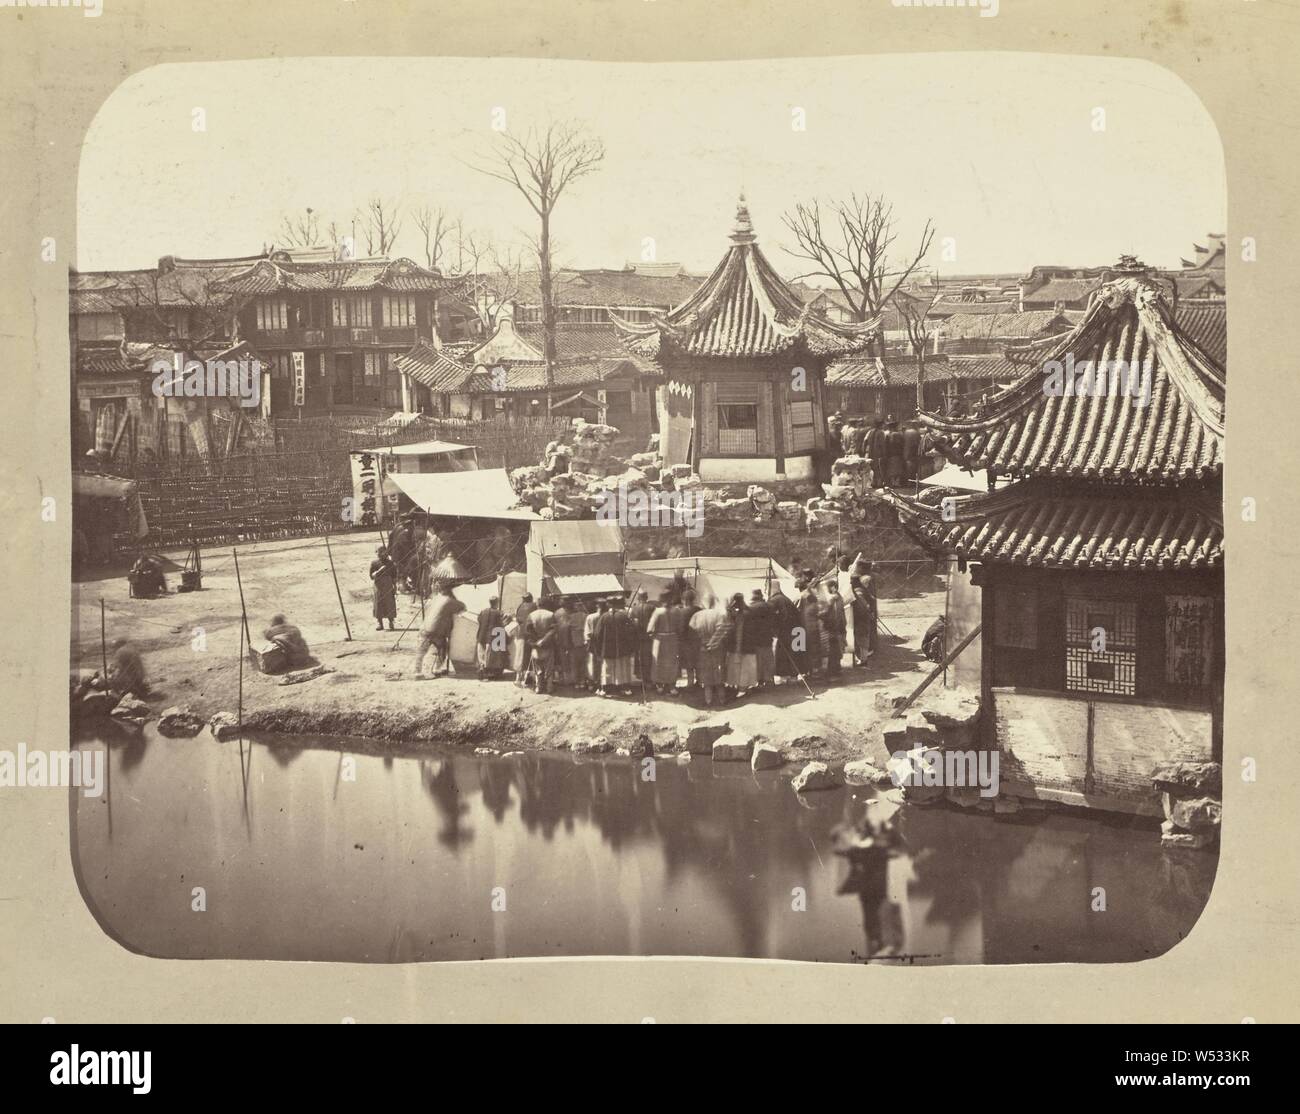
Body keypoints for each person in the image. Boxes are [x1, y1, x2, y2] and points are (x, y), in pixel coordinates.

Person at [689, 593, 732, 707]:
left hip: (703, 647)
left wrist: (702, 642)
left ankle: (708, 701)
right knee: (719, 673)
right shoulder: (719, 615)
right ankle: (722, 700)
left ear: (703, 602)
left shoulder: (696, 616)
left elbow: (692, 632)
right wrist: (714, 642)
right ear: (713, 602)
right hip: (717, 648)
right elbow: (724, 631)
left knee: (706, 675)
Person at [414, 584, 464, 678]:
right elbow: (462, 606)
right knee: (442, 649)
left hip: (425, 627)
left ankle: (418, 672)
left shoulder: (435, 598)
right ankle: (437, 669)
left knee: (421, 651)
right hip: (437, 630)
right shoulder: (449, 601)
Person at [595, 595, 638, 696]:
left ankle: (605, 689)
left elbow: (597, 634)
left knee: (607, 668)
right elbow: (631, 632)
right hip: (621, 648)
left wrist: (598, 647)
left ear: (609, 604)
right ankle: (625, 689)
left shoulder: (604, 617)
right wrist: (631, 646)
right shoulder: (623, 616)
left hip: (607, 648)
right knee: (622, 667)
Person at [646, 590, 681, 696]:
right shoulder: (677, 611)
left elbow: (649, 629)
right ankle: (672, 687)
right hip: (673, 639)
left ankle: (660, 686)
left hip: (660, 639)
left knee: (659, 662)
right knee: (672, 662)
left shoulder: (658, 611)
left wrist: (653, 635)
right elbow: (680, 627)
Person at [724, 593, 757, 697]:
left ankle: (741, 689)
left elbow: (739, 631)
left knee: (741, 668)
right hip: (750, 645)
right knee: (747, 669)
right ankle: (745, 688)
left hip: (741, 646)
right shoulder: (749, 611)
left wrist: (738, 648)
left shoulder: (741, 614)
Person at [768, 584, 803, 683]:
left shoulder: (776, 599)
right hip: (796, 630)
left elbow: (780, 616)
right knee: (792, 653)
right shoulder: (785, 598)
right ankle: (792, 676)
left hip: (787, 630)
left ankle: (787, 675)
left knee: (785, 652)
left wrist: (776, 627)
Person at [525, 596, 559, 694]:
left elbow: (528, 631)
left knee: (537, 667)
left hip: (535, 646)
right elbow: (553, 630)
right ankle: (549, 687)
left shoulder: (531, 615)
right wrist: (543, 640)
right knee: (549, 667)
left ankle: (538, 687)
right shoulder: (551, 615)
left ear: (537, 604)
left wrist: (535, 642)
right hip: (548, 645)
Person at [744, 588, 775, 687]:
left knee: (759, 661)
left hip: (756, 639)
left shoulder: (751, 608)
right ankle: (770, 679)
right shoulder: (770, 606)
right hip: (768, 637)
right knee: (768, 659)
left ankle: (760, 681)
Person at [850, 560, 878, 664]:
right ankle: (864, 657)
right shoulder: (862, 589)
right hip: (865, 616)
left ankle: (863, 659)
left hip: (862, 617)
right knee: (864, 637)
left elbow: (863, 605)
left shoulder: (858, 592)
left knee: (861, 638)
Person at [795, 578, 824, 677]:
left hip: (805, 626)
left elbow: (796, 610)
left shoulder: (802, 596)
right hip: (813, 625)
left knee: (807, 648)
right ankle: (815, 669)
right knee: (814, 647)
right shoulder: (812, 595)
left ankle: (810, 670)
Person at [475, 596, 509, 679]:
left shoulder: (483, 611)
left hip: (481, 636)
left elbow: (479, 620)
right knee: (491, 656)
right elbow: (505, 620)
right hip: (492, 638)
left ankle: (482, 669)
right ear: (496, 603)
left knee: (481, 655)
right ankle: (490, 672)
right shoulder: (499, 613)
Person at [627, 587, 655, 685]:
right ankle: (649, 678)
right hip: (649, 637)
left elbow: (630, 624)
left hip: (638, 637)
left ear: (638, 598)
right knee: (648, 657)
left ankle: (642, 678)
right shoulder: (652, 608)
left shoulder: (634, 609)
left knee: (639, 657)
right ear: (646, 597)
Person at [676, 588, 701, 690]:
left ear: (684, 600)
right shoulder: (699, 610)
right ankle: (699, 682)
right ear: (693, 599)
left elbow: (680, 629)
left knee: (689, 664)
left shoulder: (682, 612)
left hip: (686, 642)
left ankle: (690, 684)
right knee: (698, 663)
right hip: (698, 641)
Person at [369, 546, 398, 631]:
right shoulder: (374, 563)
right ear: (376, 553)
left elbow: (394, 576)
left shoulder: (391, 563)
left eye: (383, 552)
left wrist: (395, 586)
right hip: (378, 585)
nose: (381, 554)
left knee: (389, 603)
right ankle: (380, 623)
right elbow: (371, 576)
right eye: (379, 552)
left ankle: (391, 622)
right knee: (378, 603)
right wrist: (378, 572)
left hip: (388, 584)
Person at [824, 582, 847, 676]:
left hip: (836, 628)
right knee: (836, 650)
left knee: (834, 650)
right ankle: (836, 669)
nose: (828, 589)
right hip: (839, 628)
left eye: (829, 587)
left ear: (834, 587)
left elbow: (836, 615)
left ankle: (834, 670)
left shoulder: (835, 599)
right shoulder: (839, 597)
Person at [566, 596, 590, 688]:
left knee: (575, 663)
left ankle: (576, 683)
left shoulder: (570, 617)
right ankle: (583, 681)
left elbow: (567, 630)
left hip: (574, 643)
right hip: (584, 643)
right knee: (583, 663)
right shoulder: (586, 616)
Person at [513, 593, 536, 687]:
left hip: (520, 634)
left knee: (519, 656)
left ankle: (518, 678)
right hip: (530, 634)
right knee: (530, 657)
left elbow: (517, 619)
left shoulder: (519, 606)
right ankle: (528, 678)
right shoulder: (534, 606)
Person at [584, 599, 605, 692]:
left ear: (597, 606)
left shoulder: (590, 617)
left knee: (592, 664)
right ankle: (601, 683)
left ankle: (591, 684)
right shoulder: (606, 616)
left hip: (593, 644)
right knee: (602, 664)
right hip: (604, 644)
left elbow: (587, 634)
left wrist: (588, 644)